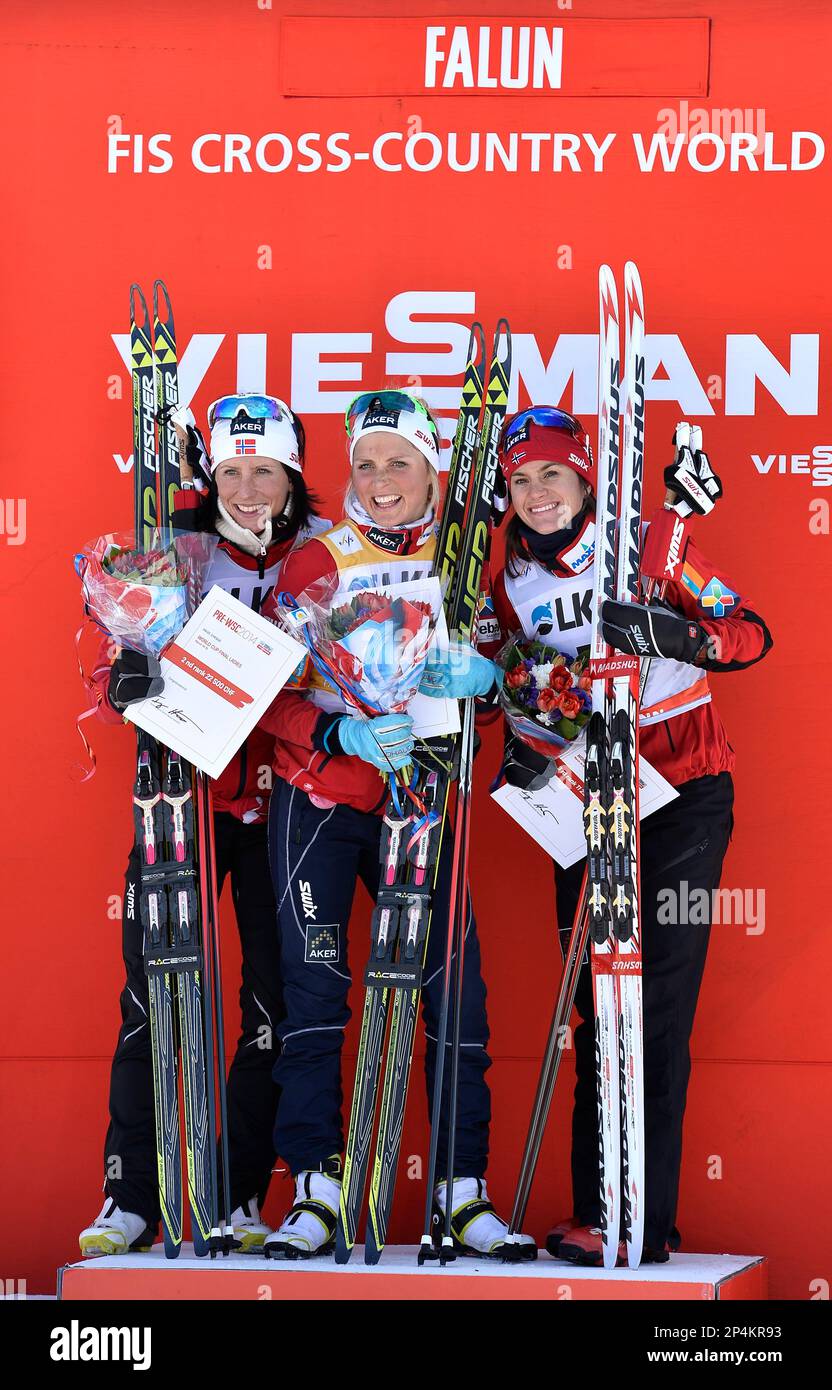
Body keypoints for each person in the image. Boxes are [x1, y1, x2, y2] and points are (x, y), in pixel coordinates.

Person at [485, 405, 773, 1265]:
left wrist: (679, 634)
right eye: (521, 480)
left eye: (553, 474)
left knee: (657, 1007)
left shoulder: (655, 547)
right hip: (588, 799)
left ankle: (643, 1221)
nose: (537, 493)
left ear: (585, 480)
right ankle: (598, 1212)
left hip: (684, 792)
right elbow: (512, 690)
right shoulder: (509, 581)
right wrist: (529, 734)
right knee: (597, 1006)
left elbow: (750, 633)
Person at [258, 389, 532, 1259]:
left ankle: (460, 1191)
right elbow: (267, 693)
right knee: (314, 993)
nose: (381, 479)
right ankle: (318, 1189)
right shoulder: (316, 561)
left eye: (399, 462)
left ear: (432, 470)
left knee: (453, 991)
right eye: (366, 462)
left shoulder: (460, 559)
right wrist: (335, 732)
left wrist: (487, 682)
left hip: (425, 797)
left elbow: (505, 674)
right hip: (323, 797)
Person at [79, 394, 328, 1256]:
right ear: (210, 475)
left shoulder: (321, 554)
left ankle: (237, 1194)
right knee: (153, 992)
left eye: (265, 471)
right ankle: (130, 1197)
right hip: (181, 800)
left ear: (292, 474)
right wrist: (125, 679)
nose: (248, 489)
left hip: (283, 804)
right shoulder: (175, 550)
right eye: (232, 471)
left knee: (272, 1003)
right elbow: (120, 651)